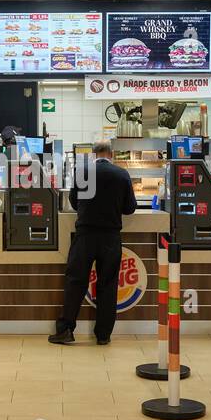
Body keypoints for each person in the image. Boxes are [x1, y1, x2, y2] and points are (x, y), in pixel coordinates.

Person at [50, 140, 137, 345]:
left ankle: (66, 330)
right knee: (108, 284)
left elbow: (73, 201)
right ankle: (103, 335)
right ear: (111, 154)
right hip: (111, 237)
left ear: (93, 154)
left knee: (76, 281)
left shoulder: (82, 171)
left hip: (85, 235)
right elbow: (130, 208)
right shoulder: (122, 174)